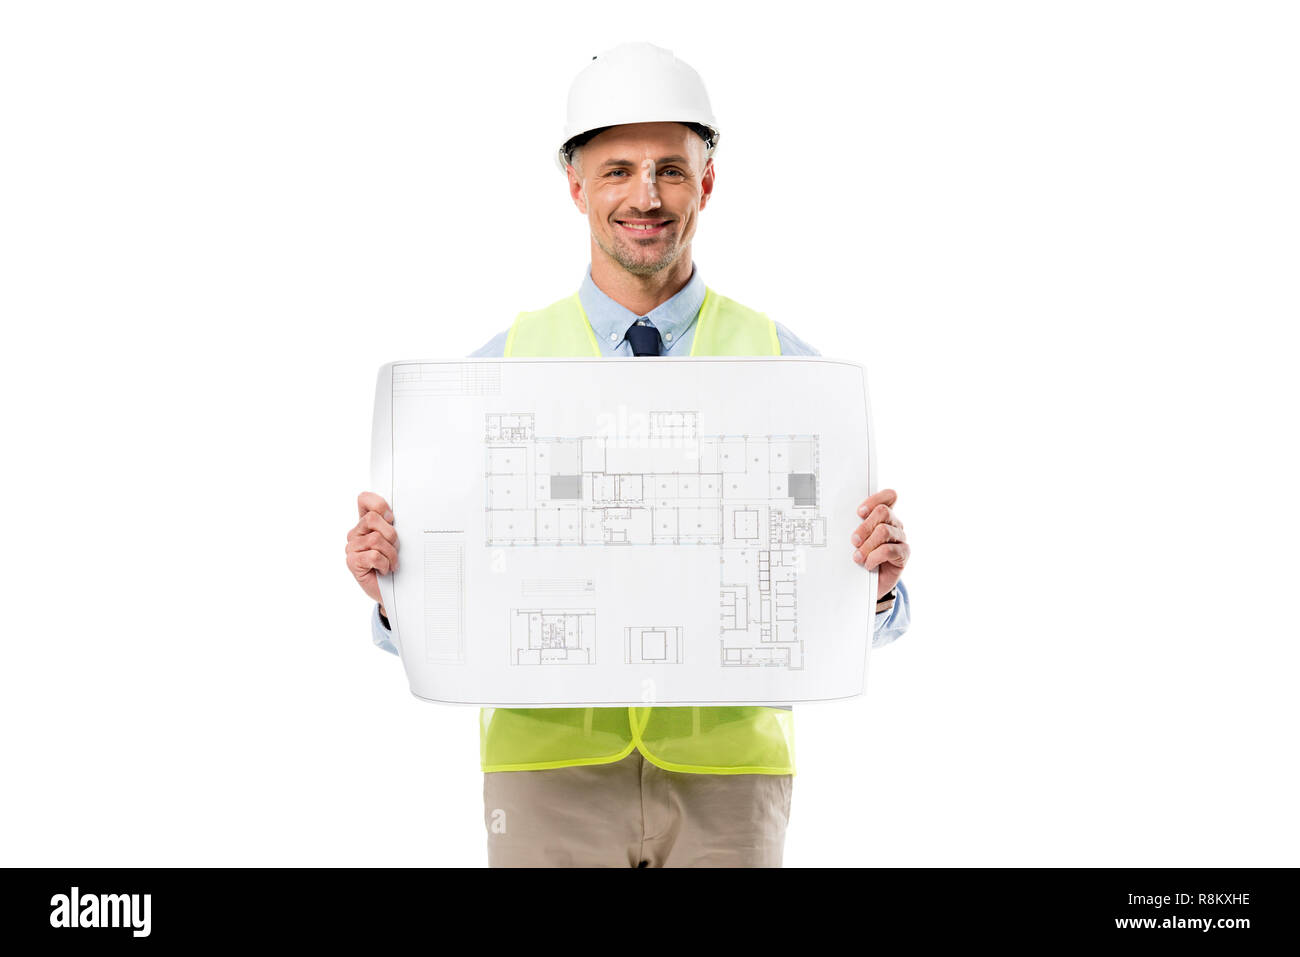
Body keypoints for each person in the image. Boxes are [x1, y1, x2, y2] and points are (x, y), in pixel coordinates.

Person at [345, 42, 912, 867]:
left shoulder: (796, 376)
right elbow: (437, 615)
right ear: (575, 184)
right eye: (617, 170)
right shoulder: (488, 380)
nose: (645, 197)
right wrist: (395, 589)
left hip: (730, 773)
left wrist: (875, 591)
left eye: (670, 170)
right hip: (547, 772)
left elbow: (853, 611)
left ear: (707, 183)